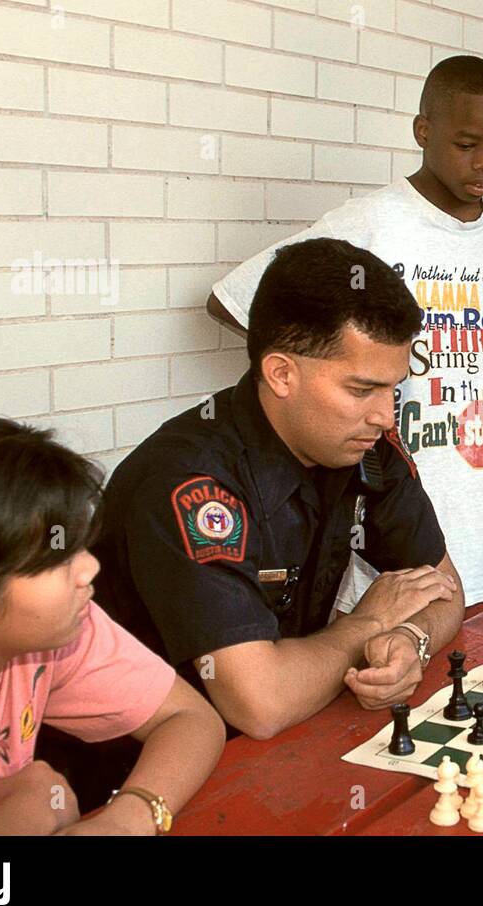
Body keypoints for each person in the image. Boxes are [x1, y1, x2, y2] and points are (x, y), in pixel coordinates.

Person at [207, 55, 483, 617]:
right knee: (398, 686)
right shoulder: (372, 221)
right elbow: (233, 299)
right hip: (401, 517)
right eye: (467, 144)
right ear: (424, 131)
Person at [92, 239, 464, 748]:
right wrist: (370, 624)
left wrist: (409, 640)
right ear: (282, 373)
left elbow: (445, 590)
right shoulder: (190, 483)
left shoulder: (364, 448)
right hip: (132, 774)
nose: (384, 415)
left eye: (394, 389)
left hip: (274, 745)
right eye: (361, 390)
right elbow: (260, 703)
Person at [0, 415, 224, 835]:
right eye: (58, 559)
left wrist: (129, 817)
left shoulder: (46, 631)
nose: (89, 568)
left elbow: (190, 718)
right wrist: (34, 810)